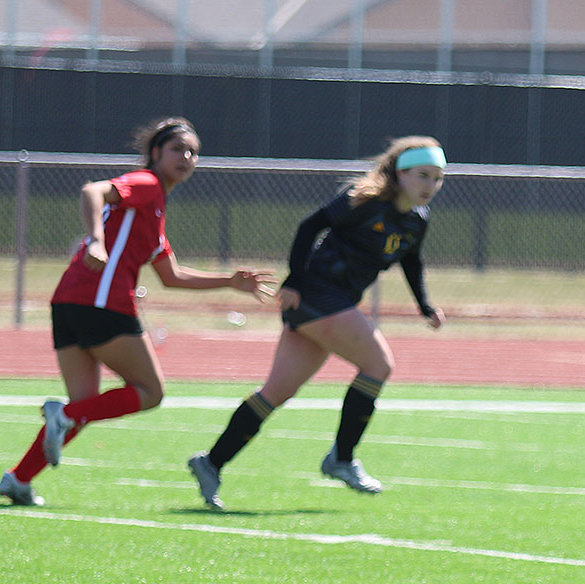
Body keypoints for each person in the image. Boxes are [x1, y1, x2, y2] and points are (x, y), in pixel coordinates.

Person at [0, 117, 274, 507]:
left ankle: (18, 479)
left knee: (85, 404)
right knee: (149, 392)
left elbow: (171, 275)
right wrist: (95, 240)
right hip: (102, 302)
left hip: (68, 303)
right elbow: (93, 191)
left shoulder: (154, 211)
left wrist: (228, 281)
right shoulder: (147, 185)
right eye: (178, 148)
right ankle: (63, 416)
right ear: (156, 153)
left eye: (193, 151)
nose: (187, 157)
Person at [186, 136, 447, 510]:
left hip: (332, 304)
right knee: (378, 365)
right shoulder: (366, 200)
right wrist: (293, 280)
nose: (430, 185)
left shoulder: (417, 220)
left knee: (276, 392)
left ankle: (210, 463)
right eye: (423, 175)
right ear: (400, 173)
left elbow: (411, 260)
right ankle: (341, 458)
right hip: (317, 296)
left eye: (437, 178)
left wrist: (424, 305)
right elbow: (310, 227)